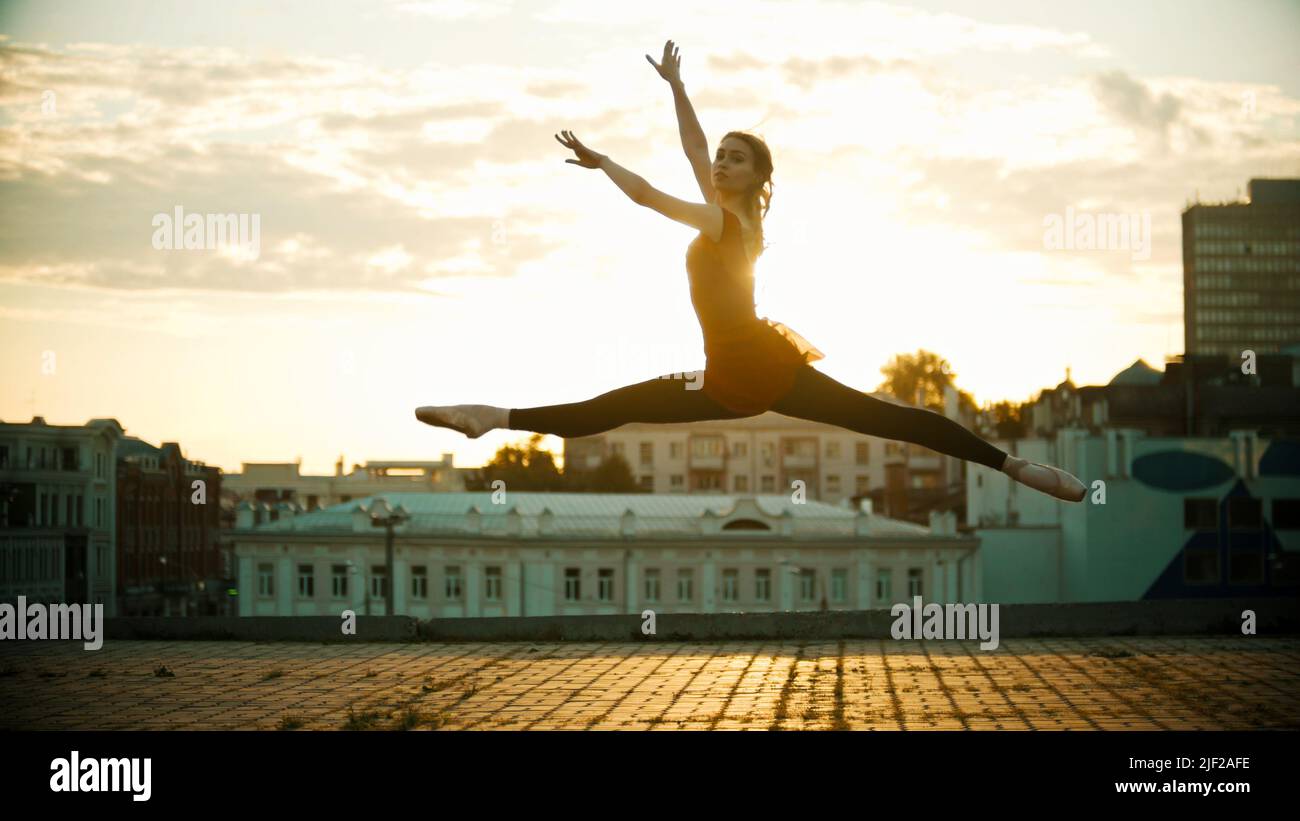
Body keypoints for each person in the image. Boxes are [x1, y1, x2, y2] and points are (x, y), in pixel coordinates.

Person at [417, 41, 1085, 503]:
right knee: (612, 408)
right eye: (725, 156)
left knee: (890, 419)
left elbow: (649, 195)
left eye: (737, 159)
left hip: (755, 370)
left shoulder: (724, 224)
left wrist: (604, 163)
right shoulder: (728, 218)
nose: (721, 163)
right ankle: (488, 415)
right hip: (731, 376)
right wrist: (678, 88)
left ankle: (1015, 466)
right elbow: (693, 145)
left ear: (759, 177)